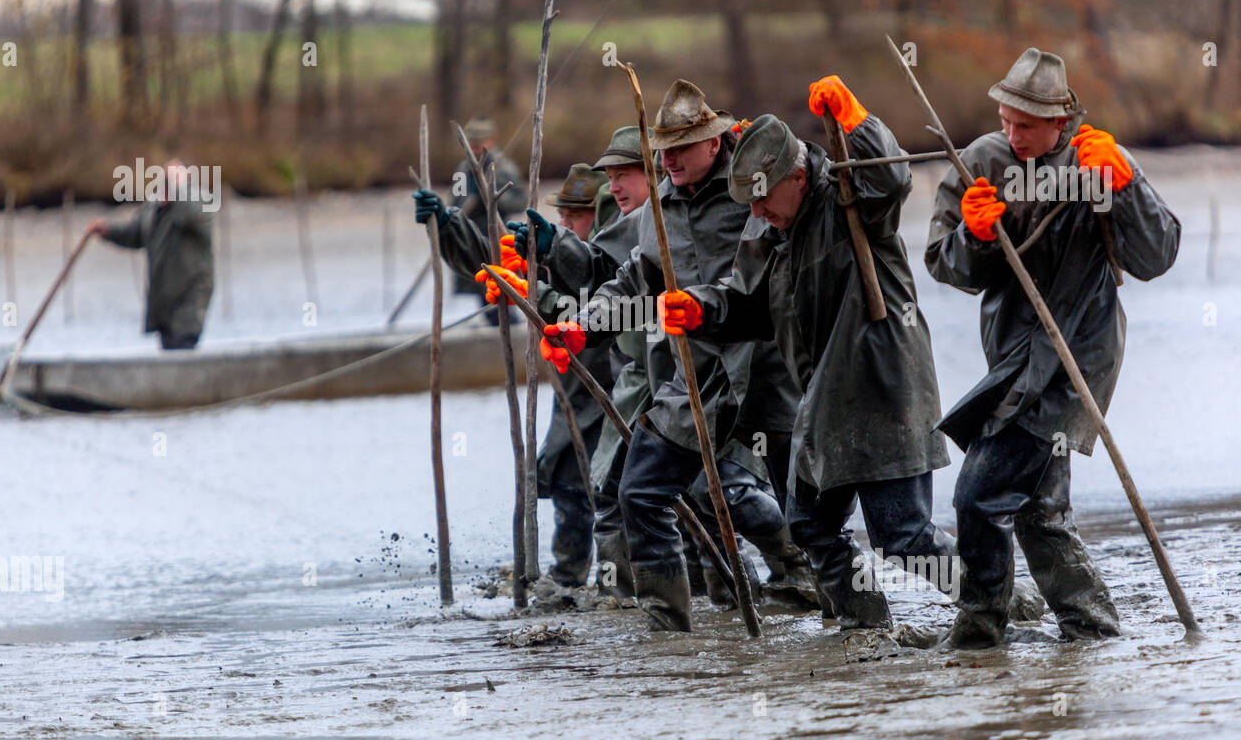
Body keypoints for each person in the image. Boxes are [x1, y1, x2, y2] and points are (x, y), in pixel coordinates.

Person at [659, 84, 1037, 630]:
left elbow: (891, 178)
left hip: (883, 388)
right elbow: (747, 303)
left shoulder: (850, 201)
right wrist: (699, 307)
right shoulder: (768, 228)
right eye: (750, 205)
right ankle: (866, 625)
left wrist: (857, 121)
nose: (758, 211)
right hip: (820, 404)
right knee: (808, 526)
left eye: (763, 198)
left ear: (795, 176)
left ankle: (1005, 602)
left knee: (903, 537)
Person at [925, 47, 1181, 647]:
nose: (1012, 134)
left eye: (1027, 125)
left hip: (1075, 360)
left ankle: (981, 627)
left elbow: (1157, 256)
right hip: (1012, 358)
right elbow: (944, 262)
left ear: (1060, 121)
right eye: (1006, 119)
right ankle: (1090, 628)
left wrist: (1127, 185)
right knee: (1040, 511)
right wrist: (976, 233)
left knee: (979, 494)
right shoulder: (981, 161)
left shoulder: (1098, 160)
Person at [535, 80, 805, 631]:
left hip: (768, 370)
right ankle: (671, 627)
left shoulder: (752, 188)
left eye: (682, 148)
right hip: (696, 380)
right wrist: (581, 327)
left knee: (796, 504)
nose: (670, 160)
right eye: (663, 150)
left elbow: (778, 251)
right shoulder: (661, 209)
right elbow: (632, 280)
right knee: (642, 491)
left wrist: (705, 306)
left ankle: (812, 587)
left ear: (714, 143)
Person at [416, 163, 618, 591]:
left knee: (618, 496)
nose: (565, 222)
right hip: (573, 413)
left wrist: (533, 293)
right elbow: (490, 259)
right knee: (567, 484)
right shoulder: (549, 252)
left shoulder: (616, 261)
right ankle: (568, 581)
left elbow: (589, 314)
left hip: (618, 404)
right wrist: (448, 224)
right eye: (563, 214)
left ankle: (623, 588)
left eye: (575, 215)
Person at [88, 159, 214, 350]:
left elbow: (196, 214)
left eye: (174, 179)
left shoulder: (199, 200)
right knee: (169, 354)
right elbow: (135, 233)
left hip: (189, 299)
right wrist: (107, 230)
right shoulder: (153, 207)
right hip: (163, 303)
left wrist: (180, 188)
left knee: (182, 347)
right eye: (166, 179)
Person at [450, 118, 524, 324]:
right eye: (470, 144)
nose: (473, 148)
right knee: (480, 288)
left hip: (498, 240)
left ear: (490, 141)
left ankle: (509, 324)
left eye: (477, 143)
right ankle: (492, 325)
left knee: (502, 288)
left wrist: (492, 199)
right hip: (471, 237)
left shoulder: (503, 168)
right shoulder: (463, 170)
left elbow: (520, 201)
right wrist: (465, 203)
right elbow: (456, 201)